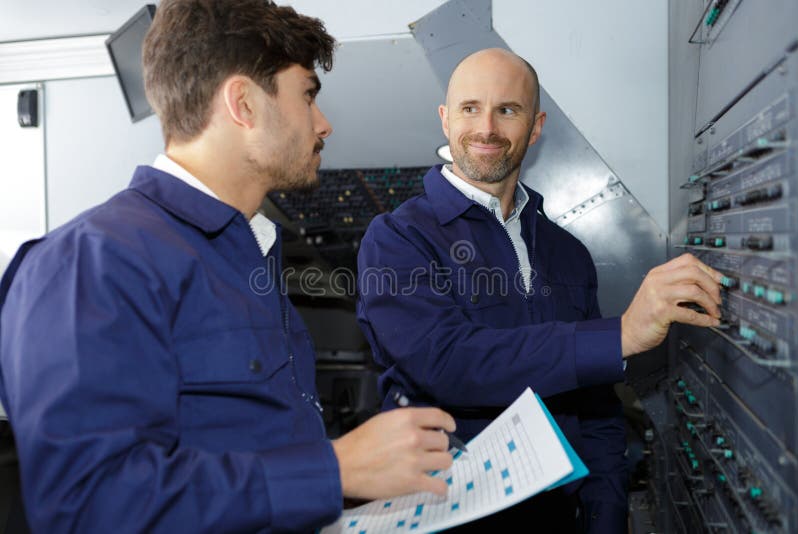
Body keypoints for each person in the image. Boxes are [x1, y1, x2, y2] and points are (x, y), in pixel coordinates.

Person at [0, 1, 457, 532]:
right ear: (243, 102)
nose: (324, 123)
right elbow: (91, 505)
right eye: (308, 95)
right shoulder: (89, 262)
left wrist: (356, 485)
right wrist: (335, 469)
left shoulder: (245, 255)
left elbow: (244, 453)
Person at [356, 48, 723, 532]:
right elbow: (447, 363)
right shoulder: (398, 238)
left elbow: (596, 408)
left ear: (536, 125)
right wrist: (619, 337)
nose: (486, 127)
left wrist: (605, 516)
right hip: (442, 514)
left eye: (507, 110)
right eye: (470, 108)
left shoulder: (567, 253)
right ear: (445, 120)